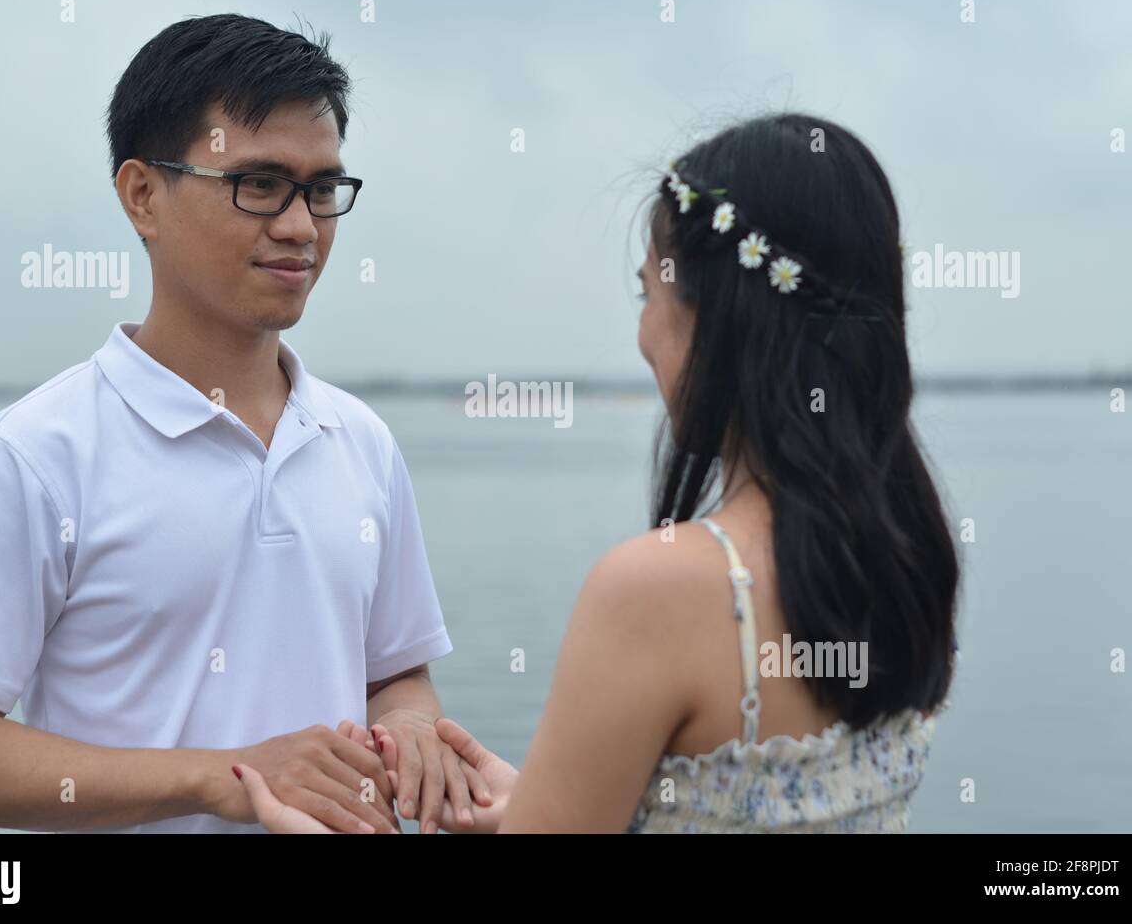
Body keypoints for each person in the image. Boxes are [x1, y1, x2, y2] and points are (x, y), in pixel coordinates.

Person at [240, 113, 960, 833]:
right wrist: (556, 803)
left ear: (719, 317)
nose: (643, 333)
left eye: (649, 293)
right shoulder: (912, 554)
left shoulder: (660, 588)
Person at [0, 13, 489, 834]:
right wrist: (221, 778)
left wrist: (414, 729)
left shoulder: (361, 442)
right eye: (260, 184)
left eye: (322, 190)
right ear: (143, 195)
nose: (301, 227)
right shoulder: (35, 457)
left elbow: (396, 672)